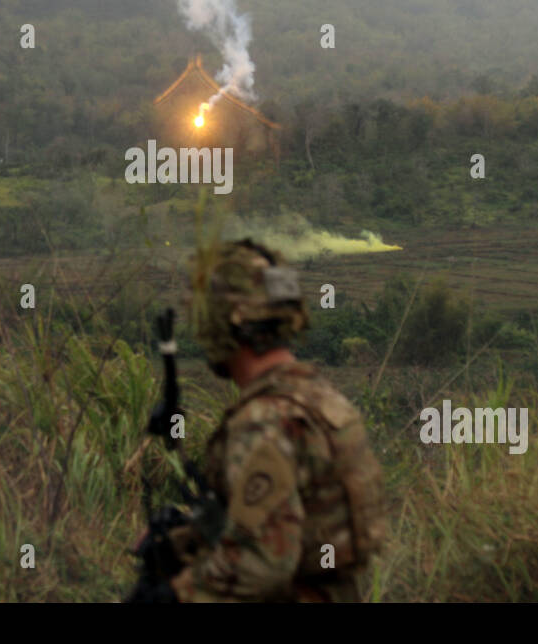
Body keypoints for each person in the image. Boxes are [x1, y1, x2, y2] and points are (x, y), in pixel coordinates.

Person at [164, 238, 386, 602]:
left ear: (224, 323)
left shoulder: (264, 422)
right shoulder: (323, 399)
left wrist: (174, 595)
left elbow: (259, 565)